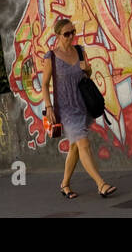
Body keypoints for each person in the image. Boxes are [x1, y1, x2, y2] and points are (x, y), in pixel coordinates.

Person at [41, 17, 116, 200]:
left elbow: (86, 75)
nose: (71, 36)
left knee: (74, 147)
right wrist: (48, 106)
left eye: (73, 32)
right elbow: (44, 84)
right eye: (67, 34)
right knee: (83, 143)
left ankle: (65, 184)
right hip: (66, 110)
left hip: (83, 104)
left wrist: (88, 70)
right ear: (58, 35)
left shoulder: (80, 51)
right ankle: (101, 184)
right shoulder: (51, 57)